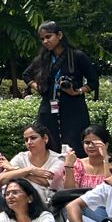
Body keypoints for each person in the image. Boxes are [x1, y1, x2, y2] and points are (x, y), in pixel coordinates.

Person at [23, 22, 97, 151]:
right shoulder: (43, 59)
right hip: (48, 106)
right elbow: (26, 75)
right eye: (42, 39)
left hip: (73, 107)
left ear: (59, 35)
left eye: (48, 37)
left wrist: (77, 91)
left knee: (75, 143)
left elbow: (93, 82)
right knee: (48, 141)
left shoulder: (77, 56)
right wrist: (38, 87)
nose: (45, 41)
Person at [1, 122, 66, 206]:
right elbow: (2, 178)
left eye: (33, 138)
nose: (29, 142)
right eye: (26, 140)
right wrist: (30, 170)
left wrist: (16, 171)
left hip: (49, 205)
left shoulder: (58, 159)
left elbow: (45, 182)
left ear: (45, 138)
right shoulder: (20, 157)